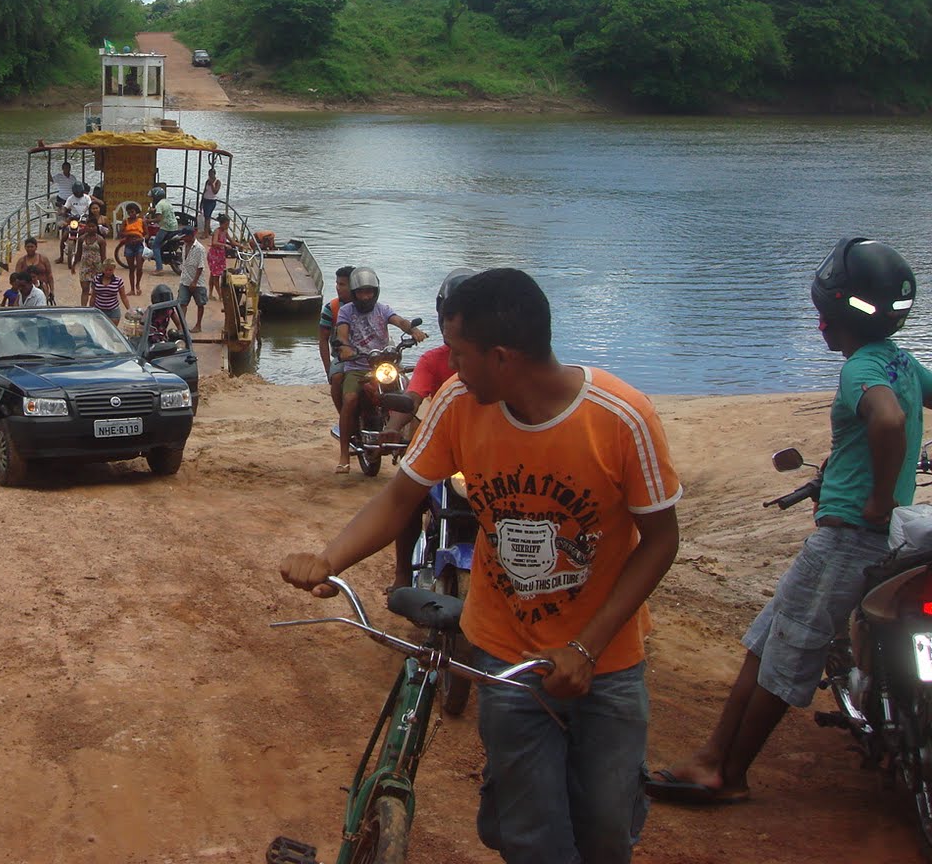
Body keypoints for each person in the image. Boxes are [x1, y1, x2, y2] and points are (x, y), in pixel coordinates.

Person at [282, 268, 682, 864]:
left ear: (501, 357)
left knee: (606, 831)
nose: (453, 367)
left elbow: (660, 541)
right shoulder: (459, 406)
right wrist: (328, 557)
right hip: (506, 653)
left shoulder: (621, 417)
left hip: (608, 666)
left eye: (462, 354)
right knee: (530, 837)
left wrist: (588, 648)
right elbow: (399, 500)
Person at [649, 237, 930, 808]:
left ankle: (729, 772)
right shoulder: (902, 360)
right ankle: (712, 756)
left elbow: (888, 420)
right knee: (765, 639)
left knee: (790, 649)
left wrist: (877, 498)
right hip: (876, 535)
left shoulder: (862, 371)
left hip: (852, 534)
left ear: (832, 319)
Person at [389, 267, 475, 588]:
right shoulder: (433, 361)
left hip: (479, 457)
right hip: (438, 453)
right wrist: (394, 427)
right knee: (408, 501)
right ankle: (401, 574)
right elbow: (413, 398)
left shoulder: (498, 367)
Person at [333, 267, 428, 474]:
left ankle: (408, 446)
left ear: (376, 292)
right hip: (358, 366)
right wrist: (345, 347)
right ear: (355, 293)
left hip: (384, 365)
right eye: (361, 292)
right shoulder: (346, 311)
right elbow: (341, 333)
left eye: (369, 292)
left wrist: (412, 330)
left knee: (409, 394)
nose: (366, 296)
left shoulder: (383, 309)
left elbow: (399, 321)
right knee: (350, 399)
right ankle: (343, 455)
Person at [318, 266, 355, 418]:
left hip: (367, 355)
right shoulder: (331, 308)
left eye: (342, 284)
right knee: (337, 378)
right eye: (337, 284)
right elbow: (323, 340)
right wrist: (328, 370)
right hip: (343, 358)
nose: (338, 288)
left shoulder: (367, 305)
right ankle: (343, 416)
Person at [175, 225, 207, 333]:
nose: (183, 238)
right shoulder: (184, 246)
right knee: (182, 303)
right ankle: (182, 326)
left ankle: (198, 325)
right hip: (185, 279)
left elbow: (201, 266)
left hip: (197, 282)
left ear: (190, 236)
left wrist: (194, 281)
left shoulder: (199, 248)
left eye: (185, 236)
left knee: (200, 304)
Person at [75, 210, 110, 304]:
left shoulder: (100, 240)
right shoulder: (81, 239)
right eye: (89, 226)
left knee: (95, 292)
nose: (91, 228)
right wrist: (74, 265)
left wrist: (105, 269)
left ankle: (91, 310)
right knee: (85, 290)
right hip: (85, 267)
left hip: (97, 268)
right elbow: (78, 253)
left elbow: (103, 256)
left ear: (96, 227)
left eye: (93, 226)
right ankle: (83, 309)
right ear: (86, 227)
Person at [118, 203, 148, 296]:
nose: (131, 214)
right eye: (129, 212)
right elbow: (121, 233)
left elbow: (147, 234)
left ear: (136, 212)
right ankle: (132, 289)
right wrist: (130, 235)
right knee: (131, 269)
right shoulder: (125, 221)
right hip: (129, 245)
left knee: (139, 267)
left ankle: (137, 285)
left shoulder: (141, 221)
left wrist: (141, 238)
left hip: (139, 245)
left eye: (132, 212)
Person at [149, 186, 178, 274]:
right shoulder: (166, 202)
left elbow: (158, 219)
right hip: (174, 226)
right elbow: (162, 211)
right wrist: (153, 210)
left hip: (166, 228)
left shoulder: (159, 205)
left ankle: (159, 268)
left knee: (155, 246)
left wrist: (148, 220)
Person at [89, 259, 127, 325]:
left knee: (111, 333)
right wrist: (90, 310)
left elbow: (123, 297)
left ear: (114, 269)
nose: (108, 272)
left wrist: (129, 309)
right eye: (106, 270)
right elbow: (93, 296)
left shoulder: (118, 281)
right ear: (103, 269)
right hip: (98, 310)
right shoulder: (96, 279)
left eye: (110, 270)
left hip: (113, 311)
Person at [17, 237, 55, 302]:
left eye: (32, 247)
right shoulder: (21, 261)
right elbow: (17, 277)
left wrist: (52, 291)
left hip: (43, 288)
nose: (30, 249)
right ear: (25, 247)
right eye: (28, 247)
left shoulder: (43, 259)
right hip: (26, 290)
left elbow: (49, 275)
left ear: (36, 247)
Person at [207, 212, 231, 298]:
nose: (227, 226)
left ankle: (210, 293)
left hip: (220, 255)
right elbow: (214, 242)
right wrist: (224, 245)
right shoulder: (217, 231)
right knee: (215, 275)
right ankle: (220, 295)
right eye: (226, 224)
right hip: (214, 255)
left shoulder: (225, 231)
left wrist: (241, 245)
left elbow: (232, 241)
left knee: (213, 274)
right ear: (222, 224)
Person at [200, 167, 221, 236]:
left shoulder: (217, 182)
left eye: (211, 174)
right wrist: (201, 202)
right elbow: (204, 191)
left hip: (211, 201)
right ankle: (208, 230)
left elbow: (215, 191)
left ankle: (205, 233)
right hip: (206, 200)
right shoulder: (207, 181)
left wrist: (212, 183)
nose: (210, 176)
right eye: (209, 174)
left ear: (214, 174)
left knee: (207, 217)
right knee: (206, 216)